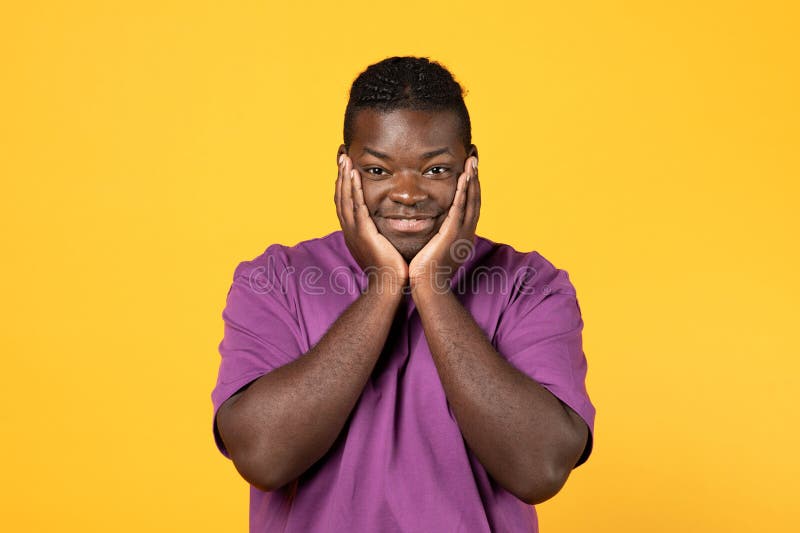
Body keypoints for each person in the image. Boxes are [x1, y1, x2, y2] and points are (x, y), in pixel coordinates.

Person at [210, 56, 596, 532]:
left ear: (469, 169)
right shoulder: (275, 280)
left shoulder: (528, 286)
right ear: (344, 167)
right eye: (377, 171)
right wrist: (386, 286)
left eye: (435, 170)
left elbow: (539, 470)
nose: (407, 193)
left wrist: (433, 288)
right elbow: (263, 458)